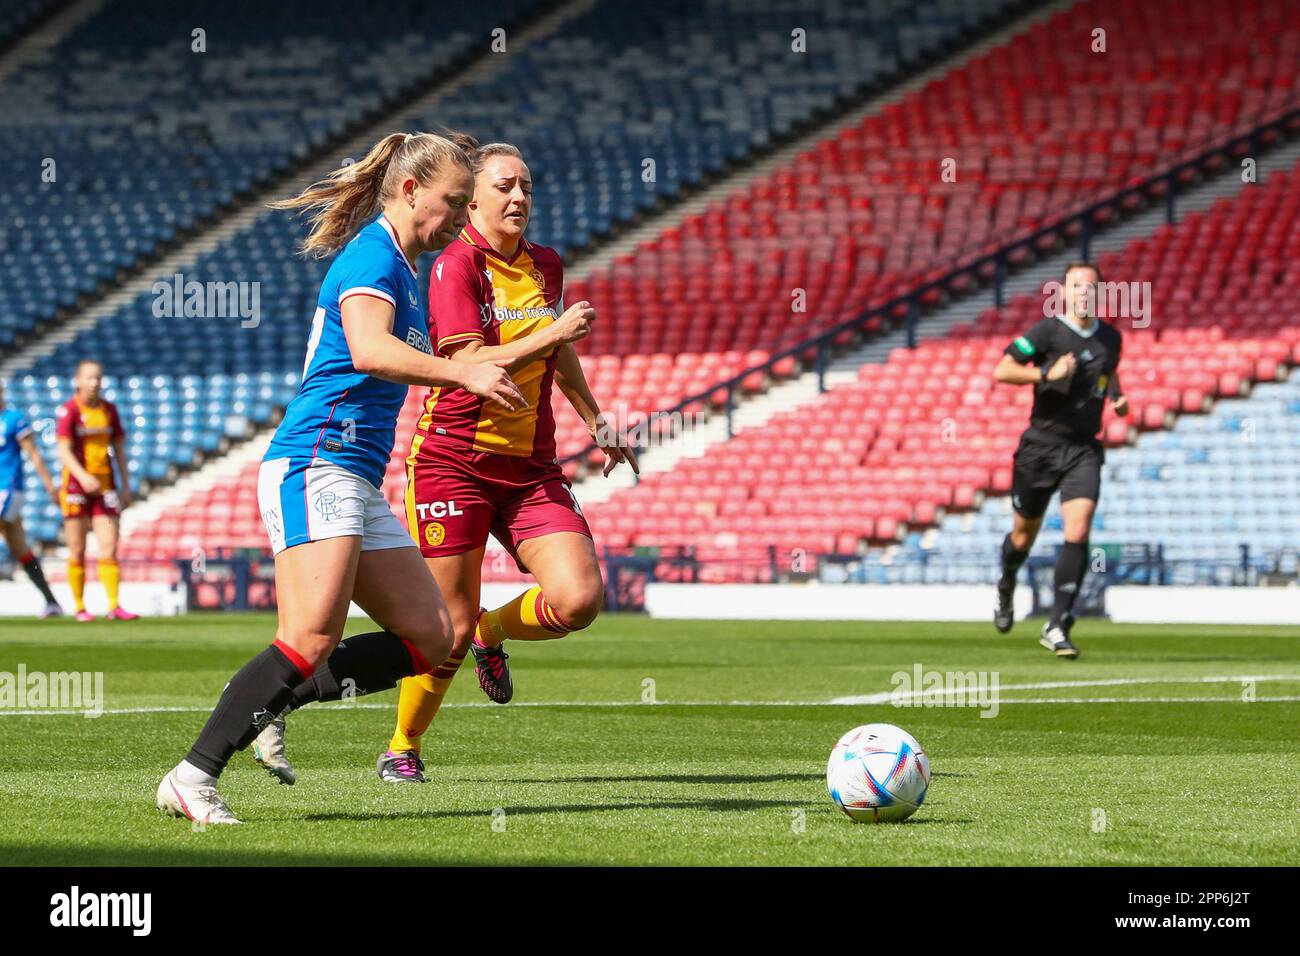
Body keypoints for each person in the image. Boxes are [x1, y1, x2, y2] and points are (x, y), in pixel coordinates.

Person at [155, 131, 525, 825]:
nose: (458, 215)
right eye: (452, 201)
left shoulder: (405, 270)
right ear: (411, 190)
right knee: (310, 638)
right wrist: (463, 371)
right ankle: (192, 775)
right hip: (316, 462)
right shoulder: (372, 255)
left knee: (434, 635)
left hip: (353, 476)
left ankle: (276, 700)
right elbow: (368, 349)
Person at [992, 262, 1127, 657]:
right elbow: (1003, 370)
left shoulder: (1111, 338)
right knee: (1023, 536)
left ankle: (1059, 623)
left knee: (1079, 528)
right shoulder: (1048, 331)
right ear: (1065, 292)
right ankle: (1007, 582)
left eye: (1089, 287)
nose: (1082, 293)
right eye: (1075, 286)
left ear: (1100, 293)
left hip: (1083, 447)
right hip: (1040, 447)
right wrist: (1047, 373)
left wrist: (1117, 396)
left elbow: (1110, 372)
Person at [56, 359, 137, 621]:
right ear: (77, 381)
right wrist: (82, 476)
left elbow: (120, 450)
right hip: (75, 486)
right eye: (89, 378)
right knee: (77, 549)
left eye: (98, 378)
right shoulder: (69, 411)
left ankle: (114, 606)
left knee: (109, 547)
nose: (94, 383)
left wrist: (125, 484)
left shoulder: (109, 410)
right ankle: (80, 607)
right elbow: (63, 451)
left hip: (105, 486)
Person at [0, 380, 63, 617]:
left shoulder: (13, 418)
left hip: (9, 489)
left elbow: (33, 454)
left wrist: (49, 485)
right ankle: (51, 601)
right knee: (20, 549)